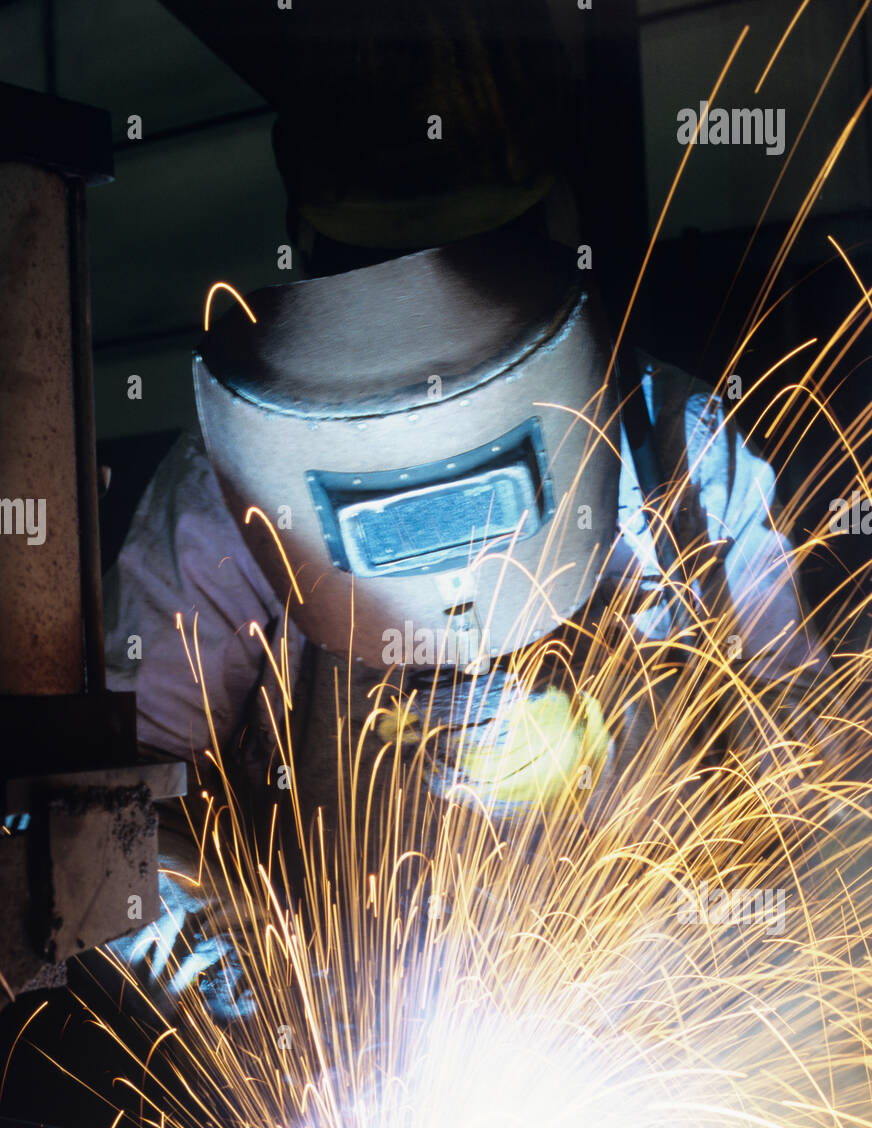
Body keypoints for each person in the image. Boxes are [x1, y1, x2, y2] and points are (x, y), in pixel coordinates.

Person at [98, 3, 826, 1019]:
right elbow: (111, 815)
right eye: (383, 266)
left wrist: (713, 933)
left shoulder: (680, 454)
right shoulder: (226, 497)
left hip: (638, 1031)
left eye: (466, 256)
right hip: (353, 1045)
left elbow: (799, 757)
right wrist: (248, 984)